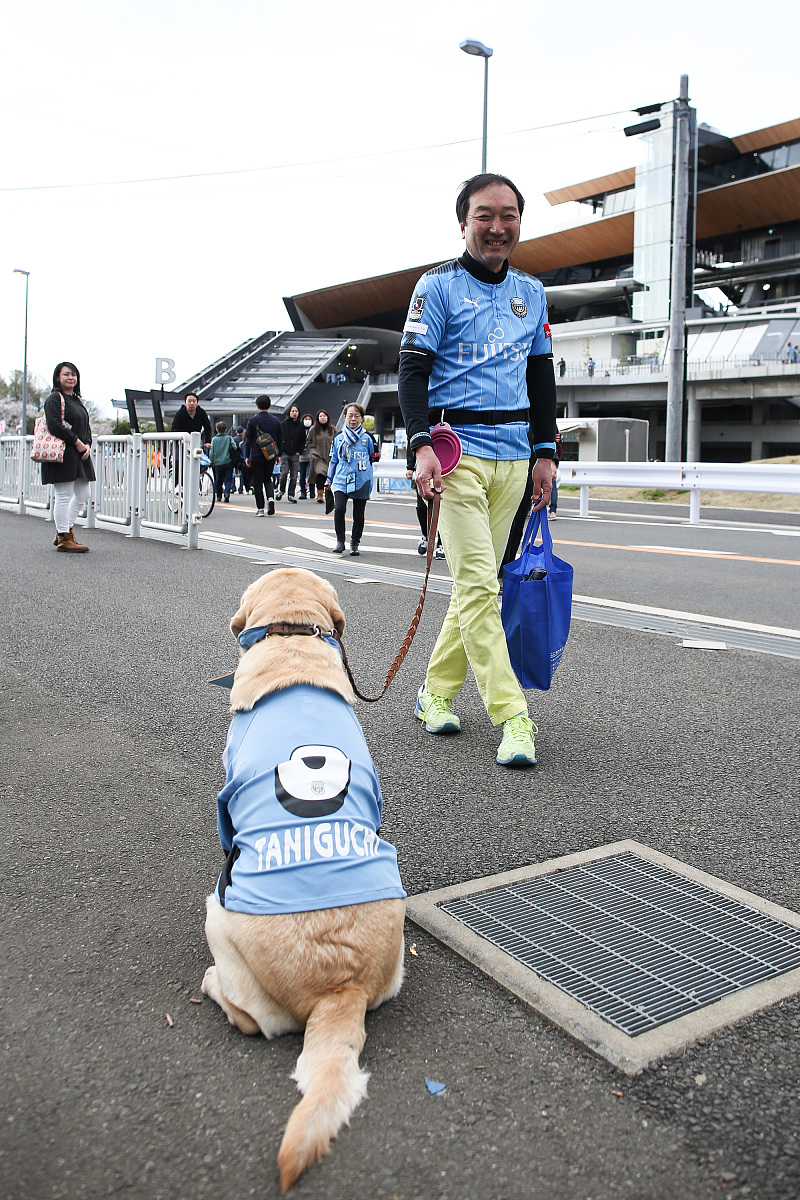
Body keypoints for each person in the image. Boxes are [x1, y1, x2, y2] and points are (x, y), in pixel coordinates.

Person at [398, 172, 557, 768]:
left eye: (508, 215)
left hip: (515, 456)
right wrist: (420, 445)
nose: (497, 227)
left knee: (477, 584)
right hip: (455, 455)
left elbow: (541, 376)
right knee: (480, 587)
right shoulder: (435, 287)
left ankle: (435, 693)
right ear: (463, 222)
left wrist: (546, 452)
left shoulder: (531, 292)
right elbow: (412, 371)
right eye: (484, 215)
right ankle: (512, 715)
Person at [42, 361, 95, 553]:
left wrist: (87, 443)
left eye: (73, 374)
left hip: (79, 453)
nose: (70, 378)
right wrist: (76, 441)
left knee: (83, 494)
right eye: (66, 374)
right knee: (63, 495)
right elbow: (54, 425)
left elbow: (86, 426)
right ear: (58, 377)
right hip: (63, 452)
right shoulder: (54, 399)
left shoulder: (76, 400)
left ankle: (64, 530)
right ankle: (64, 537)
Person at [325, 403, 375, 556]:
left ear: (362, 418)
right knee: (339, 508)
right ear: (345, 417)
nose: (353, 419)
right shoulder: (338, 438)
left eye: (357, 416)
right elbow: (333, 460)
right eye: (350, 415)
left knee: (358, 514)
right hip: (341, 479)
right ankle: (340, 541)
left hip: (362, 479)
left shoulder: (368, 438)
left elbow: (373, 458)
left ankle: (355, 542)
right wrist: (329, 479)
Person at [244, 395, 283, 517]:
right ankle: (270, 498)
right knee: (268, 478)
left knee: (257, 481)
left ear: (257, 406)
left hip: (257, 453)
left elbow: (248, 440)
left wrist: (247, 456)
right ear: (269, 405)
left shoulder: (253, 420)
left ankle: (260, 508)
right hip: (270, 453)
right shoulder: (276, 421)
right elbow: (280, 439)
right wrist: (278, 454)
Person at [406, 445, 445, 559]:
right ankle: (425, 535)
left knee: (442, 507)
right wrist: (410, 466)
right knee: (422, 507)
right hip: (423, 467)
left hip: (444, 466)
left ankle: (442, 543)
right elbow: (412, 443)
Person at [305, 409, 334, 503]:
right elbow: (308, 442)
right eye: (320, 416)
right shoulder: (313, 429)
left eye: (324, 416)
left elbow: (338, 440)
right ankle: (320, 495)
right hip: (317, 456)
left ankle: (328, 493)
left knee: (328, 475)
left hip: (329, 457)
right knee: (320, 473)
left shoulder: (332, 429)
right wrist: (312, 453)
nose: (322, 418)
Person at [277, 404, 304, 502]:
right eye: (293, 411)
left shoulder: (300, 426)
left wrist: (299, 451)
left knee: (294, 475)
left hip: (295, 453)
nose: (294, 413)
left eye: (296, 411)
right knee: (284, 473)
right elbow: (279, 438)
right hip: (285, 452)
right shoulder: (283, 424)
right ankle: (281, 490)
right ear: (289, 412)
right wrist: (280, 451)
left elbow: (303, 440)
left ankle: (291, 494)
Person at [209, 420, 235, 503]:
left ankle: (219, 496)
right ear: (225, 429)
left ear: (217, 429)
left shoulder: (214, 439)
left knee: (218, 480)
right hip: (228, 461)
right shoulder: (229, 438)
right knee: (228, 479)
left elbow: (211, 452)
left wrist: (211, 461)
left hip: (218, 463)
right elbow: (235, 447)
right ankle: (227, 493)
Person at [298, 412, 314, 498]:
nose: (307, 421)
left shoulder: (314, 430)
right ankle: (303, 492)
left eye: (309, 419)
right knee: (302, 474)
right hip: (302, 455)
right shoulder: (300, 430)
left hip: (311, 455)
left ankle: (312, 490)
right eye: (306, 419)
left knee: (311, 473)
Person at [549, 427, 563, 519]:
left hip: (538, 455)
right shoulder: (553, 425)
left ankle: (528, 509)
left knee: (531, 483)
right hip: (552, 457)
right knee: (552, 484)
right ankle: (553, 510)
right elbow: (558, 443)